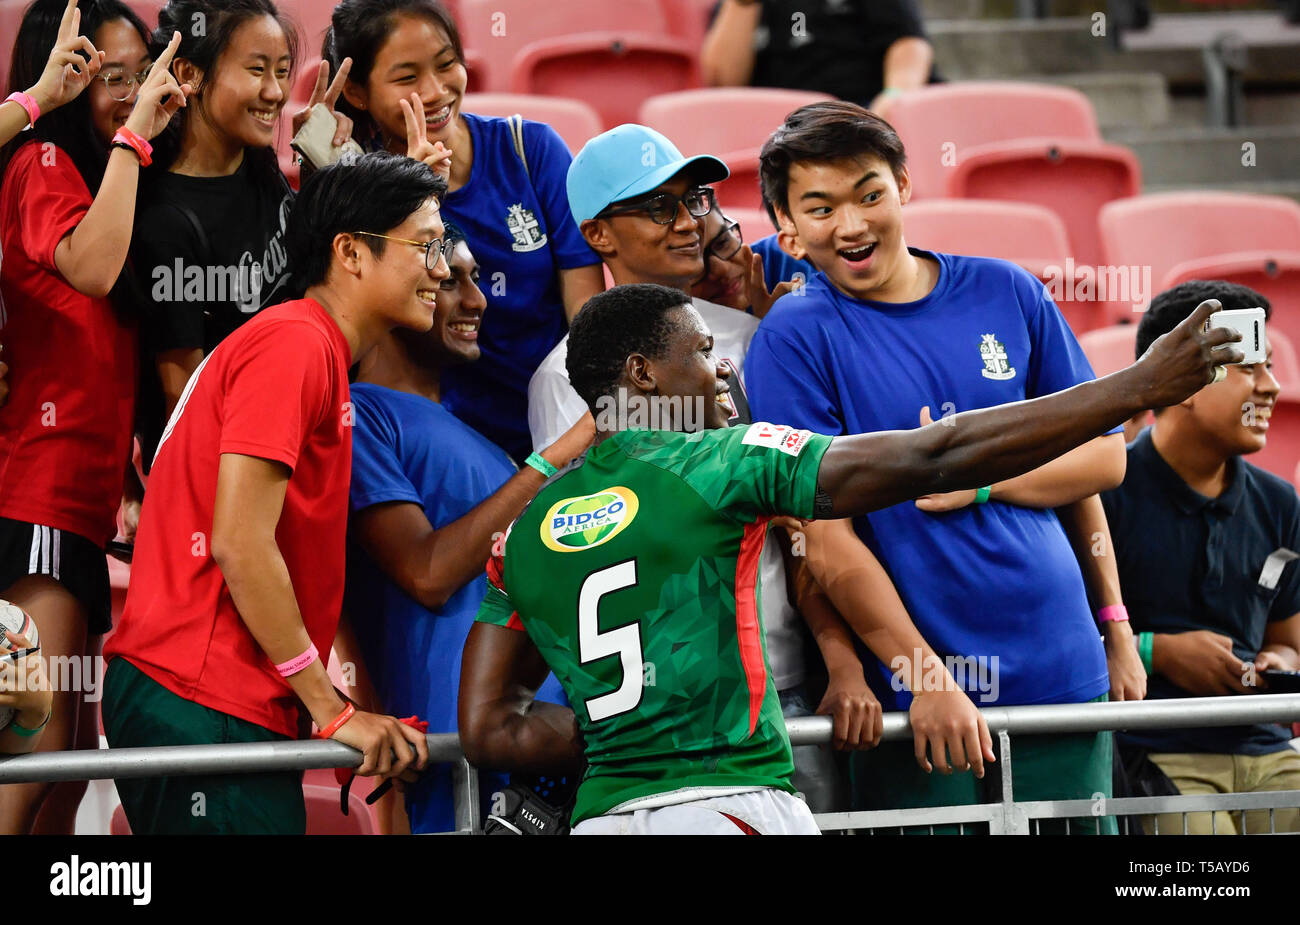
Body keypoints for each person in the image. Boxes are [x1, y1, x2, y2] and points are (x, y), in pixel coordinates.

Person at [460, 281, 1238, 835]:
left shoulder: (528, 527)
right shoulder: (724, 461)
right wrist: (1131, 388)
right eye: (702, 351)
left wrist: (624, 732)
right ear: (642, 375)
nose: (725, 367)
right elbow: (936, 453)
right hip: (732, 807)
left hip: (601, 817)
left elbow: (490, 724)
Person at [745, 101, 1145, 834]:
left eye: (869, 193)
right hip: (922, 707)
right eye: (821, 207)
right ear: (787, 227)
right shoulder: (791, 339)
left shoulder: (1009, 290)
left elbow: (1104, 457)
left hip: (1063, 671)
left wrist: (983, 474)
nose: (853, 224)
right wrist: (922, 677)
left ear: (904, 185)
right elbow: (825, 539)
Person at [526, 126, 878, 812]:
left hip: (787, 685)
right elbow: (583, 541)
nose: (689, 221)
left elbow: (795, 520)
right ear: (598, 235)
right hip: (662, 723)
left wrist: (840, 656)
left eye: (696, 199)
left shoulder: (755, 334)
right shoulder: (561, 381)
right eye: (660, 207)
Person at [101, 152, 442, 835]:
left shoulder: (308, 346)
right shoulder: (296, 344)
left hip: (215, 697)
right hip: (198, 690)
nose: (442, 266)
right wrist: (333, 709)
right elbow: (239, 540)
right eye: (425, 245)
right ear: (351, 252)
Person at [0, 0, 189, 834]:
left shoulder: (103, 179)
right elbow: (92, 266)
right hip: (33, 496)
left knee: (69, 769)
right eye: (106, 77)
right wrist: (134, 138)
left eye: (136, 73)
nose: (127, 92)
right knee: (30, 751)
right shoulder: (43, 159)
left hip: (79, 510)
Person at [345, 220, 590, 833]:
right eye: (450, 279)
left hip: (540, 746)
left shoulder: (473, 436)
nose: (476, 300)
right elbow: (426, 573)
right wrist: (558, 456)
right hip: (460, 758)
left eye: (475, 279)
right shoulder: (358, 412)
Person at [325, 0, 604, 461]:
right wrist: (409, 199)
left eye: (446, 64)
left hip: (561, 430)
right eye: (407, 78)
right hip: (443, 447)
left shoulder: (531, 150)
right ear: (357, 92)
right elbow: (372, 346)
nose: (435, 92)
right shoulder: (356, 191)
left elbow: (588, 316)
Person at [1102, 280, 1300, 835]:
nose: (1273, 387)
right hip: (1152, 752)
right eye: (1249, 369)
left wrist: (1277, 664)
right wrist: (1155, 651)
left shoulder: (1280, 505)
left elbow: (1287, 639)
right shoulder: (1102, 494)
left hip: (1268, 749)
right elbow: (1050, 648)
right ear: (1184, 380)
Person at [133, 0, 355, 448]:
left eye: (282, 70)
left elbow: (308, 276)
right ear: (190, 74)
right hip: (242, 455)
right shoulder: (166, 222)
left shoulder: (256, 162)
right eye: (257, 70)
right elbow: (184, 397)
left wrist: (323, 171)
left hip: (303, 419)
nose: (276, 92)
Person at [700, 0, 936, 120]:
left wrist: (894, 96)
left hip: (862, 113)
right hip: (778, 130)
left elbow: (909, 41)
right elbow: (723, 84)